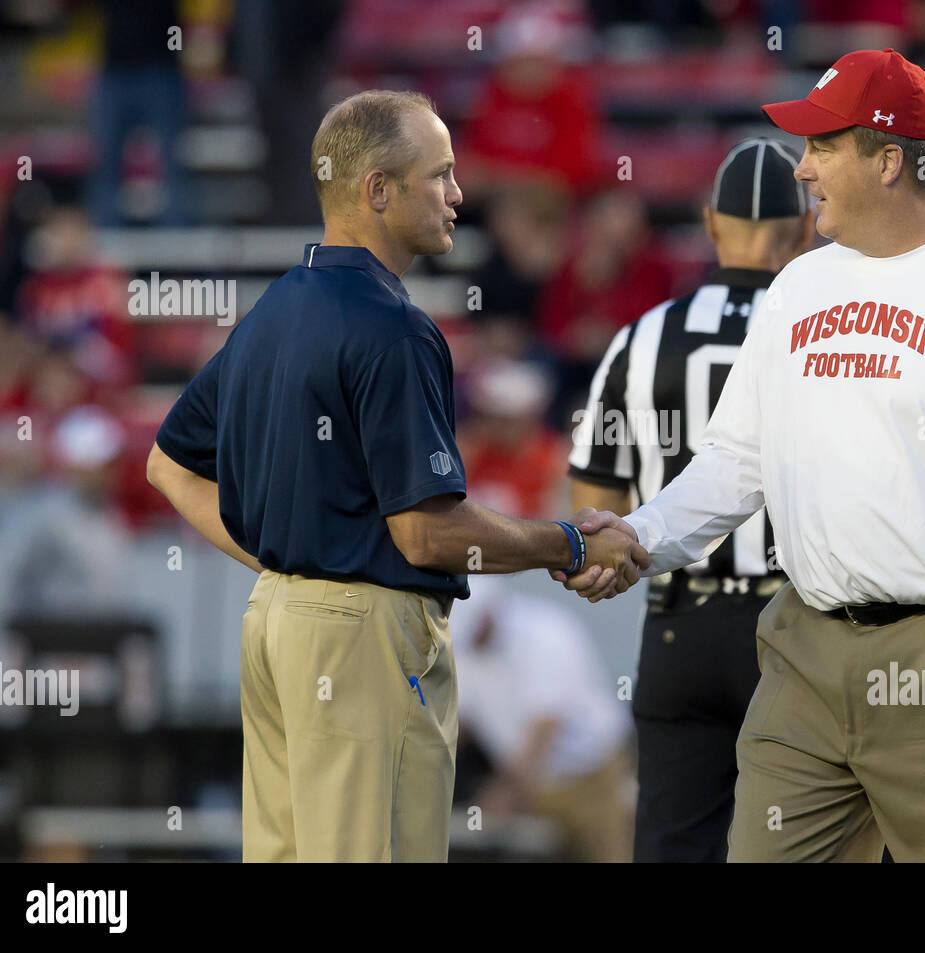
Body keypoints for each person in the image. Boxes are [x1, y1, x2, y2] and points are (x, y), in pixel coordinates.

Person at [558, 49, 925, 862]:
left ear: (890, 162)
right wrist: (642, 535)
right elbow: (735, 460)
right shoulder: (799, 286)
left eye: (823, 146)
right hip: (807, 648)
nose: (802, 169)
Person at [147, 90, 647, 863]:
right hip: (358, 634)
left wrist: (289, 563)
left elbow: (167, 464)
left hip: (278, 618)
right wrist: (570, 544)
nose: (457, 193)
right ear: (378, 189)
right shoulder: (394, 325)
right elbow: (425, 531)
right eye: (439, 174)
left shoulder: (272, 311)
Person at [568, 137, 814, 861]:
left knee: (675, 844)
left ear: (710, 222)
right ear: (806, 227)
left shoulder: (640, 338)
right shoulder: (826, 335)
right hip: (799, 628)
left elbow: (595, 512)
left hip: (681, 625)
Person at [450, 576, 634, 862]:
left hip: (594, 775)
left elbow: (545, 728)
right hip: (536, 784)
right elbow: (463, 723)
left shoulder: (546, 633)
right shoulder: (468, 647)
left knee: (612, 855)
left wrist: (506, 793)